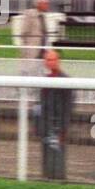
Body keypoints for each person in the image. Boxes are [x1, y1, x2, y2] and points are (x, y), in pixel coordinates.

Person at [39, 48, 72, 181]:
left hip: (58, 123)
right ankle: (47, 177)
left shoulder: (65, 80)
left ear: (58, 61)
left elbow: (68, 106)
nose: (50, 62)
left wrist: (63, 128)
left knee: (57, 154)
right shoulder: (45, 80)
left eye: (53, 59)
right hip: (46, 122)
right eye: (48, 60)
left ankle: (58, 178)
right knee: (46, 153)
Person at [17, 0, 51, 72]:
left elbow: (44, 31)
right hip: (32, 47)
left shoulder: (43, 16)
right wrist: (28, 45)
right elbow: (24, 31)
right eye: (45, 4)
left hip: (42, 47)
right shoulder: (30, 15)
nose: (47, 6)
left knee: (40, 67)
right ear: (38, 5)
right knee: (28, 67)